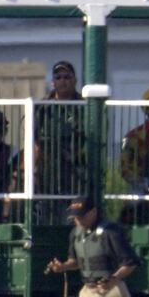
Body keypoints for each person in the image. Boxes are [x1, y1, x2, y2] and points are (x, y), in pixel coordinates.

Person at [34, 60, 85, 201]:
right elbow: (34, 140)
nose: (63, 81)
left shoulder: (84, 106)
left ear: (75, 80)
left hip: (76, 168)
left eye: (67, 77)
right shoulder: (42, 106)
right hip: (47, 168)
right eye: (58, 77)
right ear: (53, 82)